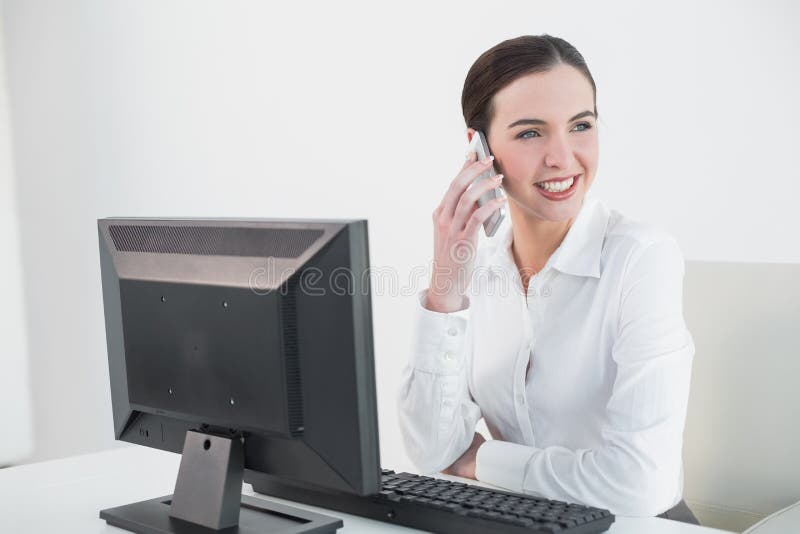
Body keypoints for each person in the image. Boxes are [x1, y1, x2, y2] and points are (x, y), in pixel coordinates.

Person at [397, 34, 699, 524]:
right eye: (531, 133)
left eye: (581, 125)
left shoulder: (642, 259)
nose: (563, 157)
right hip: (520, 523)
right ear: (479, 147)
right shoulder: (478, 267)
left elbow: (641, 485)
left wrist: (480, 460)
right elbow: (430, 448)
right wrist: (446, 284)